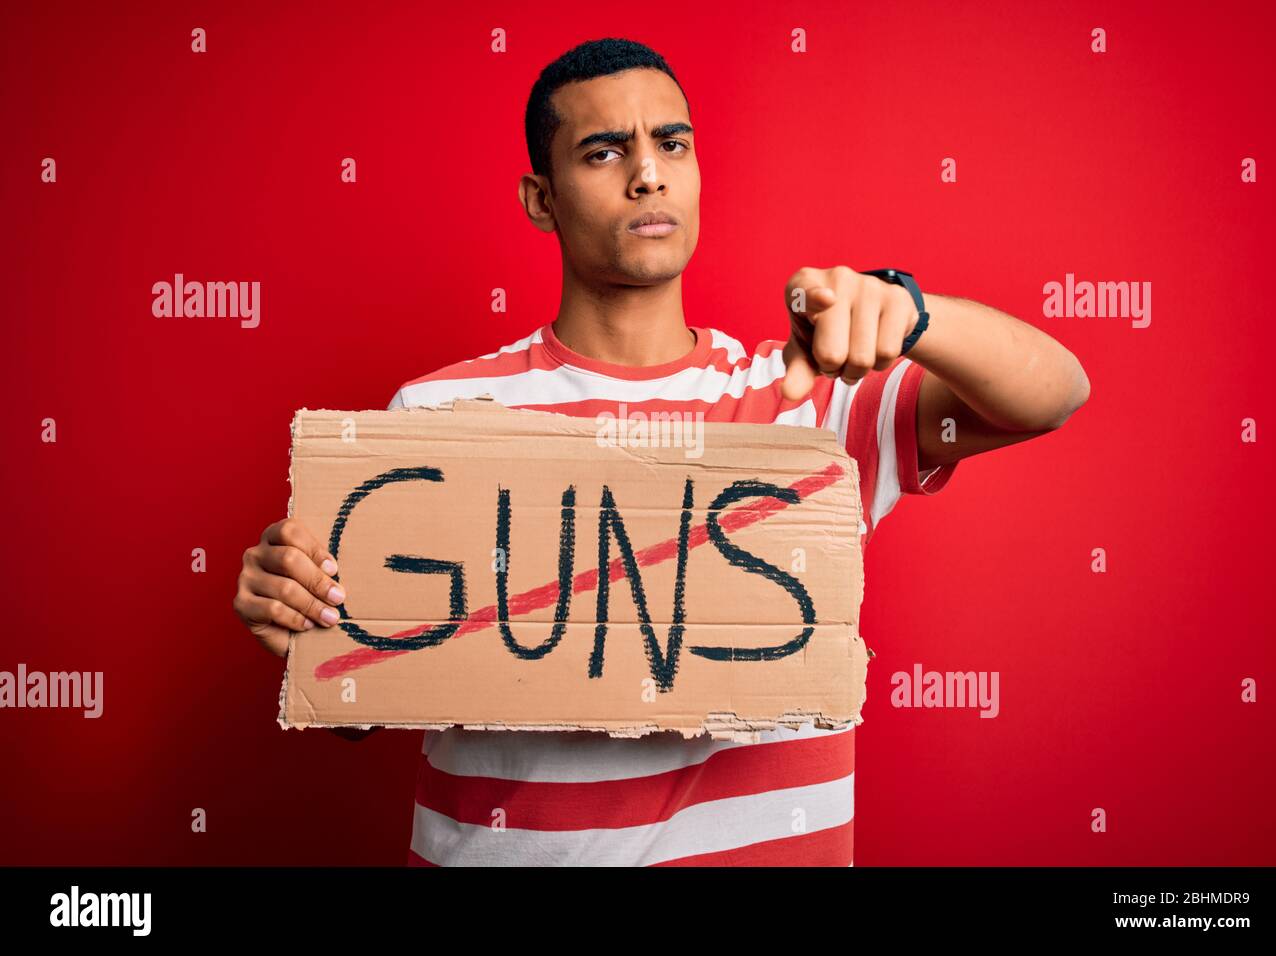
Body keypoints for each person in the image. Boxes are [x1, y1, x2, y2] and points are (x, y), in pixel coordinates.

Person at [232, 37, 1089, 866]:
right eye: (604, 152)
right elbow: (364, 702)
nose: (648, 172)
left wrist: (913, 314)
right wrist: (304, 619)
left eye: (670, 143)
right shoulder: (443, 413)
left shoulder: (805, 406)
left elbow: (1053, 395)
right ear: (542, 199)